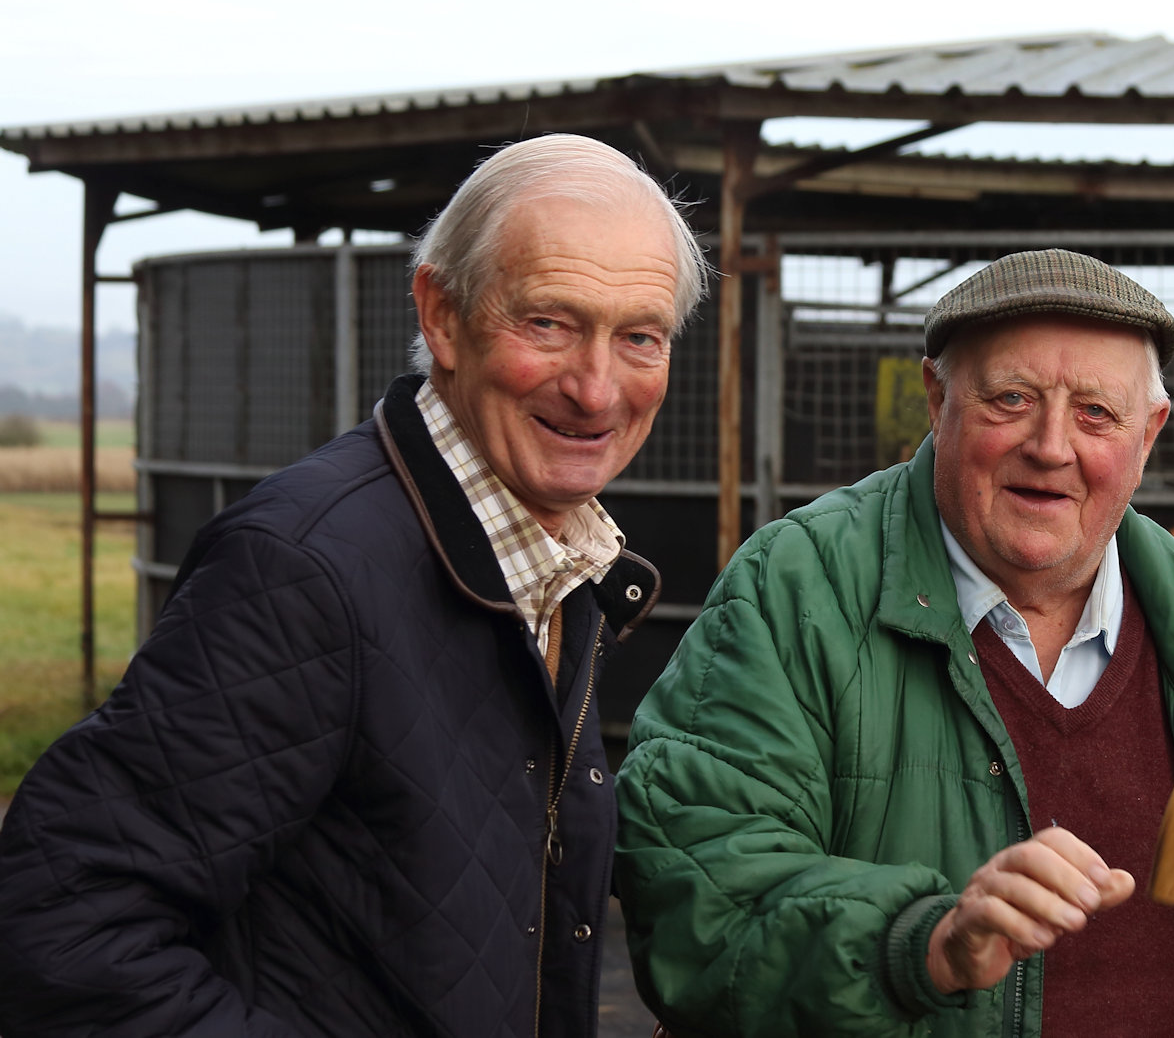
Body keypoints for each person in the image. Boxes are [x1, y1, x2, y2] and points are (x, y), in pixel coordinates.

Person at [614, 249, 1174, 1037]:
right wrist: (923, 944)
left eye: (1098, 414)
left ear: (1147, 437)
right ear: (936, 399)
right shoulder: (796, 591)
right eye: (1011, 399)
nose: (1051, 447)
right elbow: (698, 883)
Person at [0, 133, 707, 1038]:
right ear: (442, 316)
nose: (598, 388)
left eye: (639, 337)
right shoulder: (307, 569)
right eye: (550, 322)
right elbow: (65, 919)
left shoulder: (551, 562)